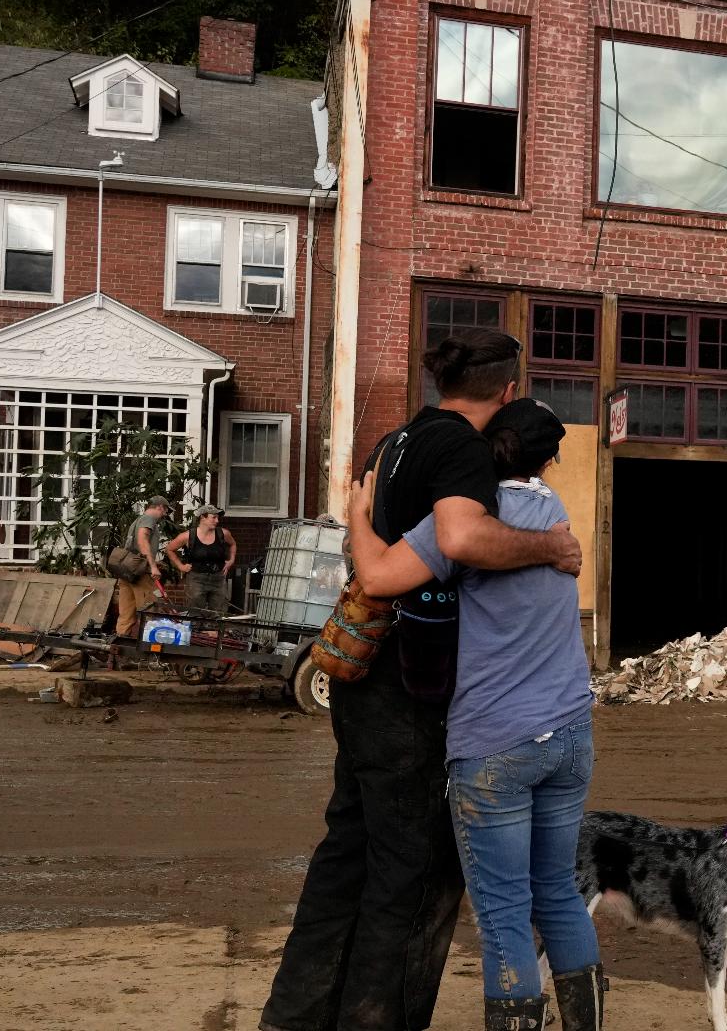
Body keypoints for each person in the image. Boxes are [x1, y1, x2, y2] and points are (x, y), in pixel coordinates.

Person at [260, 332, 585, 1031]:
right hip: (413, 691)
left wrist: (352, 517)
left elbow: (376, 546)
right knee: (412, 879)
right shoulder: (463, 453)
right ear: (504, 394)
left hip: (360, 684)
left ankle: (295, 1018)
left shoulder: (396, 441)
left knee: (346, 858)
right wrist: (549, 547)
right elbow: (463, 539)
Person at [347, 399, 602, 1031]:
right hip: (570, 732)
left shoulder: (465, 524)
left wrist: (358, 514)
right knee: (560, 892)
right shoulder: (555, 517)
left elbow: (377, 578)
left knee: (505, 910)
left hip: (496, 743)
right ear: (550, 458)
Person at [166, 504, 235, 615]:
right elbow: (169, 549)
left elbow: (232, 544)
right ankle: (196, 631)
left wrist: (231, 560)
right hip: (196, 578)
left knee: (219, 612)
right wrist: (181, 566)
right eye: (214, 517)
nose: (217, 521)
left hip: (218, 578)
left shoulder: (223, 534)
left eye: (218, 517)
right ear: (203, 517)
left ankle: (215, 632)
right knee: (195, 611)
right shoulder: (188, 536)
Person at [116, 495, 169, 638]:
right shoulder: (148, 519)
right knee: (149, 610)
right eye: (165, 510)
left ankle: (120, 645)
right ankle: (150, 649)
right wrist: (152, 566)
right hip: (140, 572)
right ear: (159, 507)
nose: (165, 514)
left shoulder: (137, 520)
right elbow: (142, 540)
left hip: (127, 570)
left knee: (126, 612)